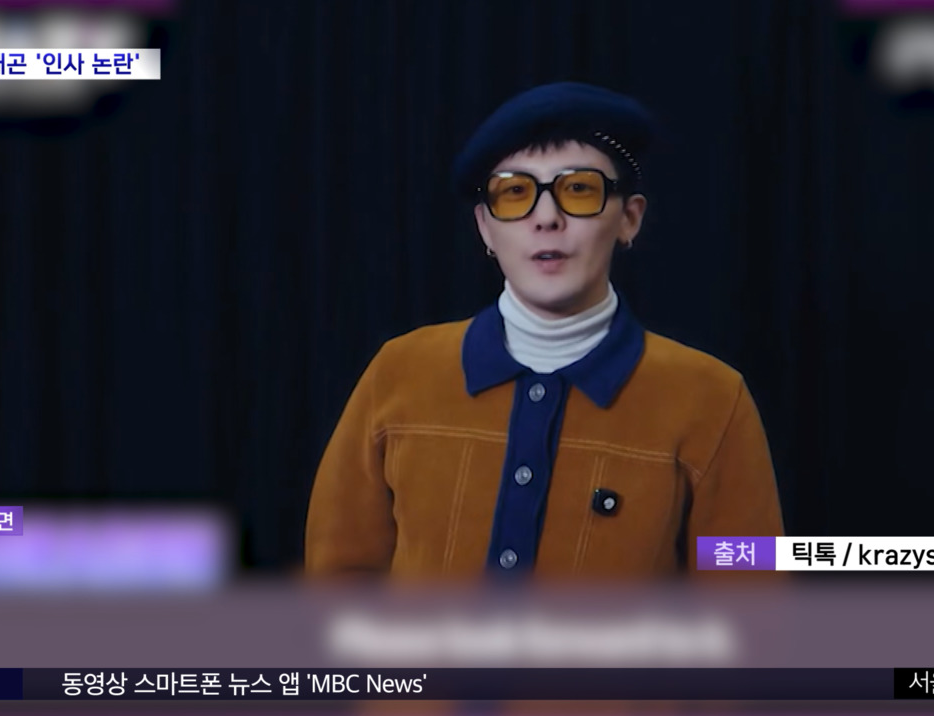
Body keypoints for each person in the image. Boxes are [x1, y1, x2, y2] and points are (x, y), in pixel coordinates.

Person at [305, 81, 783, 580]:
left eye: (579, 190)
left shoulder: (712, 397)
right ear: (485, 227)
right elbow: (337, 577)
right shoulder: (399, 372)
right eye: (515, 193)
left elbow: (753, 592)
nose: (547, 218)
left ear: (629, 219)